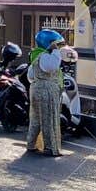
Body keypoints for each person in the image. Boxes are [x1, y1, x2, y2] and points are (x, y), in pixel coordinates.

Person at [25, 27, 65, 156]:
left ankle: (31, 144)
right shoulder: (45, 56)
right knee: (49, 119)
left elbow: (30, 75)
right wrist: (55, 51)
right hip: (46, 91)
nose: (57, 46)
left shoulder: (36, 55)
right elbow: (52, 67)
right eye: (55, 43)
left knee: (36, 119)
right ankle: (50, 148)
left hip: (36, 89)